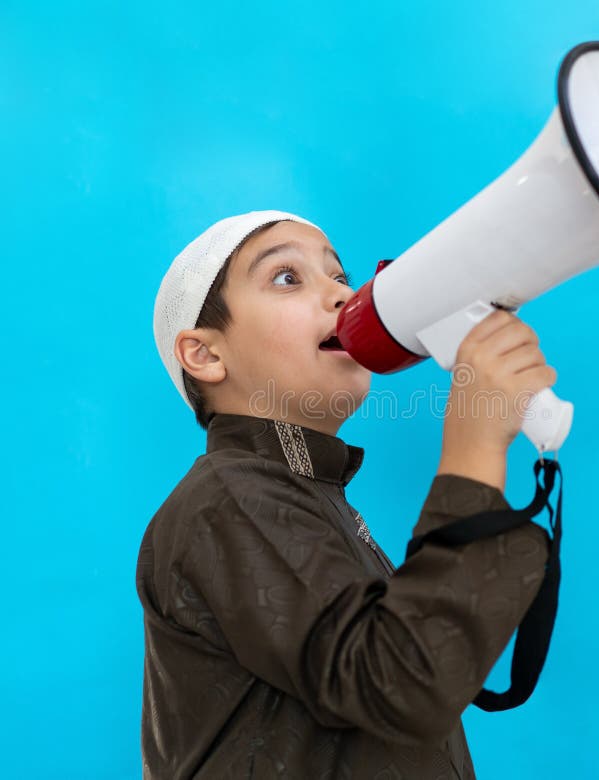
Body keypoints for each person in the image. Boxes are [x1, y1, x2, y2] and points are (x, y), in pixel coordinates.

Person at [137, 209, 557, 778]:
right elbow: (403, 681)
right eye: (286, 277)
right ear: (206, 354)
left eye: (339, 276)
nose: (343, 296)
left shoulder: (298, 492)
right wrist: (475, 444)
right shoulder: (229, 498)